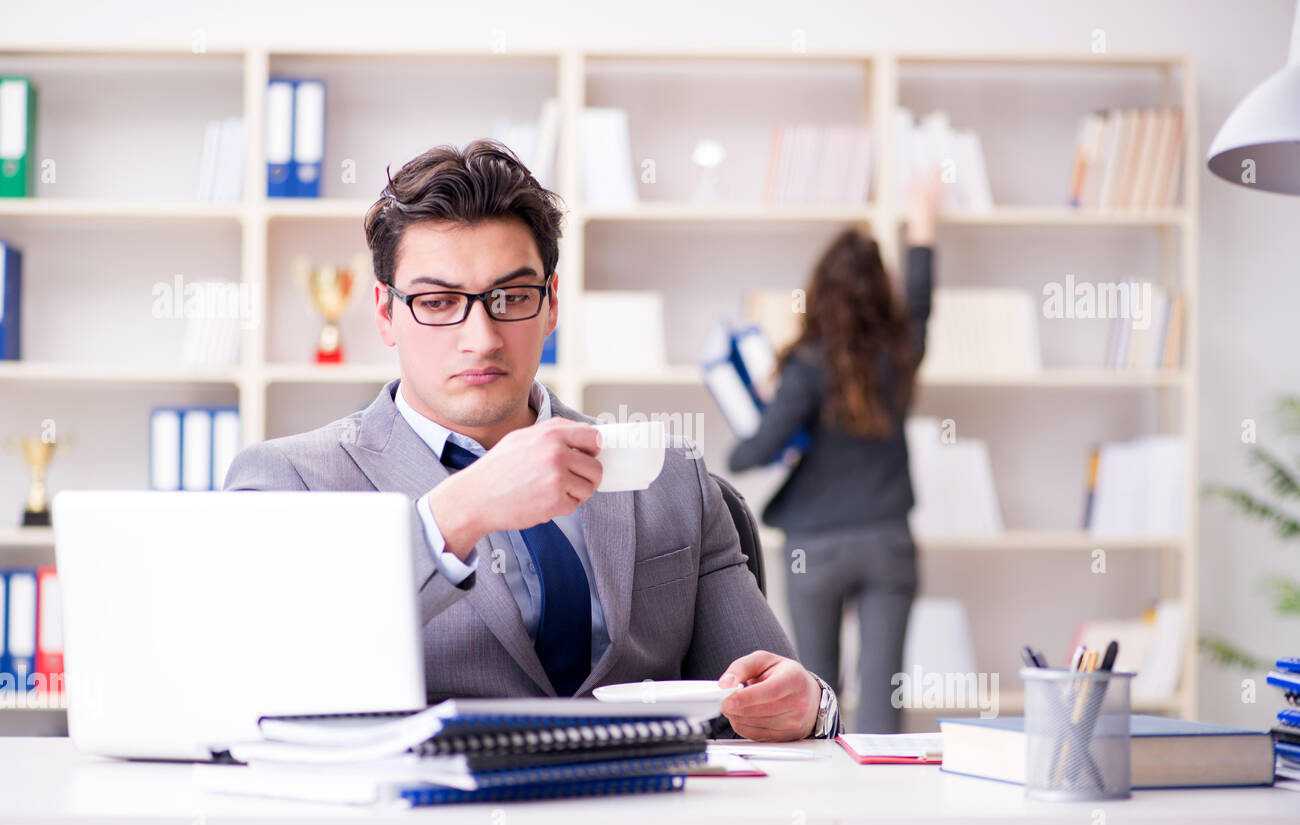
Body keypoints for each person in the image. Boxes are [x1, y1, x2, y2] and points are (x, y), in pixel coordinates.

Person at [223, 139, 840, 742]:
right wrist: (459, 513)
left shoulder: (670, 476)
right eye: (439, 303)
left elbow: (765, 688)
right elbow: (257, 682)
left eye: (511, 297)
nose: (482, 338)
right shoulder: (290, 479)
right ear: (385, 313)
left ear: (549, 308)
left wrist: (811, 706)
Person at [727, 172, 942, 733]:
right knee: (883, 691)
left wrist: (752, 433)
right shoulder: (902, 352)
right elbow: (920, 303)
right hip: (889, 542)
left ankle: (827, 810)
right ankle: (883, 808)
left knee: (814, 696)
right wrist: (923, 221)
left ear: (820, 293)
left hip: (815, 550)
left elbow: (754, 452)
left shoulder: (805, 367)